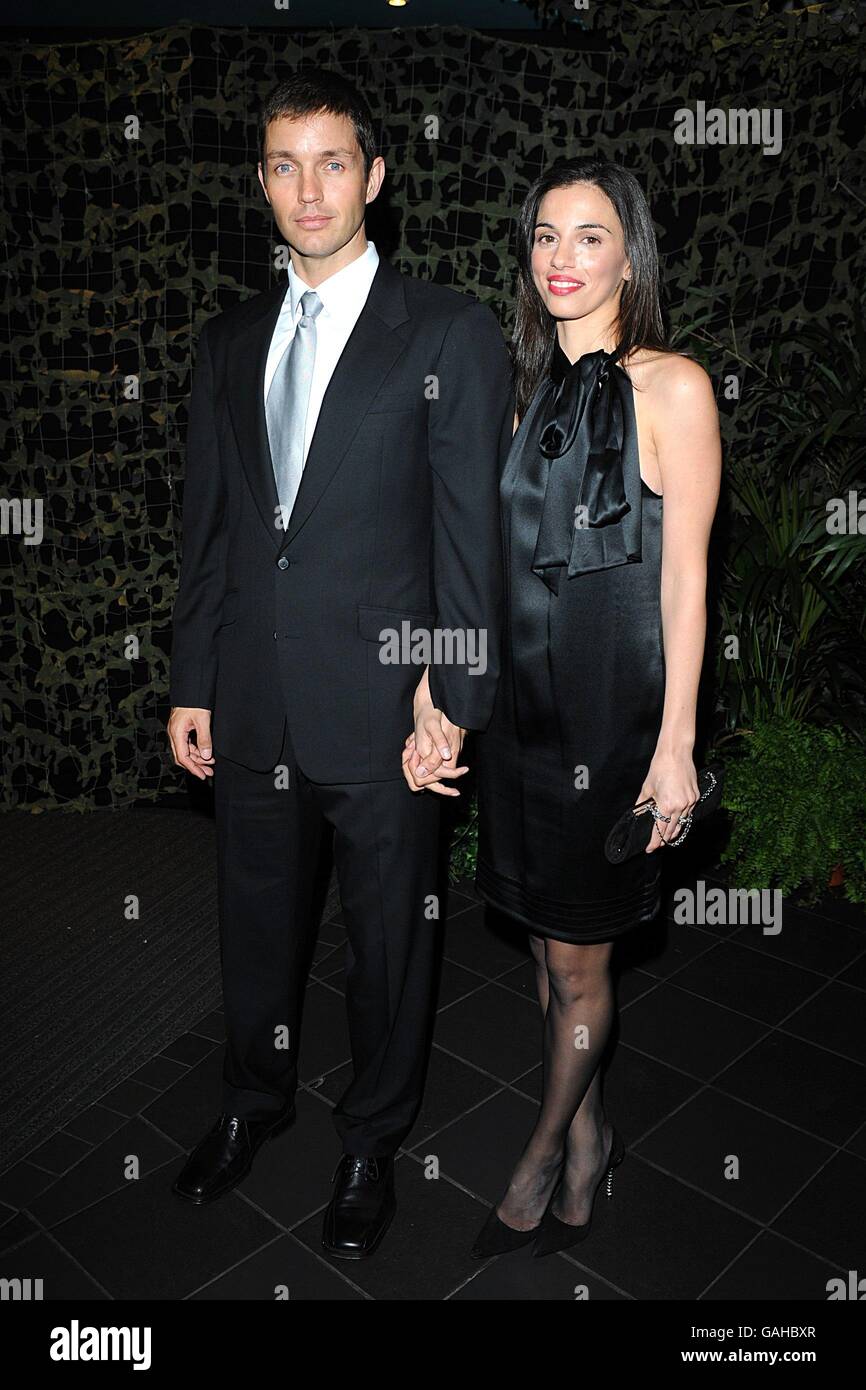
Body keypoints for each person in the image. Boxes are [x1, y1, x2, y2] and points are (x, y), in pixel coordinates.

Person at [166, 68, 514, 1260]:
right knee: (254, 929)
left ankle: (372, 1136)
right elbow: (209, 530)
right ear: (260, 182)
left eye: (329, 162)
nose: (305, 188)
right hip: (254, 702)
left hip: (387, 710)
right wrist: (193, 678)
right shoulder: (226, 342)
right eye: (280, 164)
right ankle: (252, 1103)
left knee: (388, 940)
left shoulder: (449, 331)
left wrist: (454, 695)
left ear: (373, 175)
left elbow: (472, 536)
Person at [404, 159, 721, 1258]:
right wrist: (435, 685)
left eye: (587, 237)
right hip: (524, 723)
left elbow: (686, 581)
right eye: (543, 235)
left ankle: (547, 1151)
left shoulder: (672, 387)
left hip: (613, 716)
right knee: (545, 955)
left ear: (627, 252)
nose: (559, 258)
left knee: (579, 959)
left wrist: (674, 746)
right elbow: (478, 567)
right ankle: (591, 1131)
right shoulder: (520, 393)